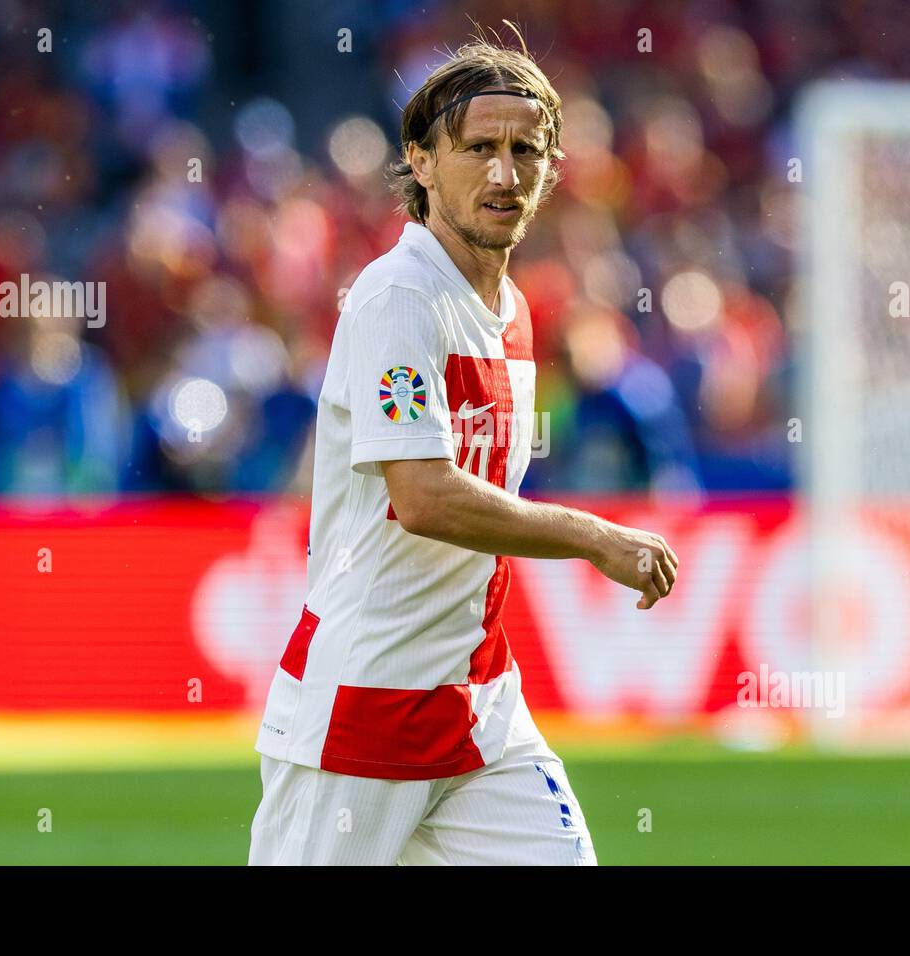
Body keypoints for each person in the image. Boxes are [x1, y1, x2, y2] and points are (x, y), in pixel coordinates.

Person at [249, 29, 678, 866]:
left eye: (527, 150)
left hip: (477, 704)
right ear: (420, 160)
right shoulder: (397, 298)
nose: (504, 173)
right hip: (364, 705)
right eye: (478, 147)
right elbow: (423, 496)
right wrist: (594, 537)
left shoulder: (513, 310)